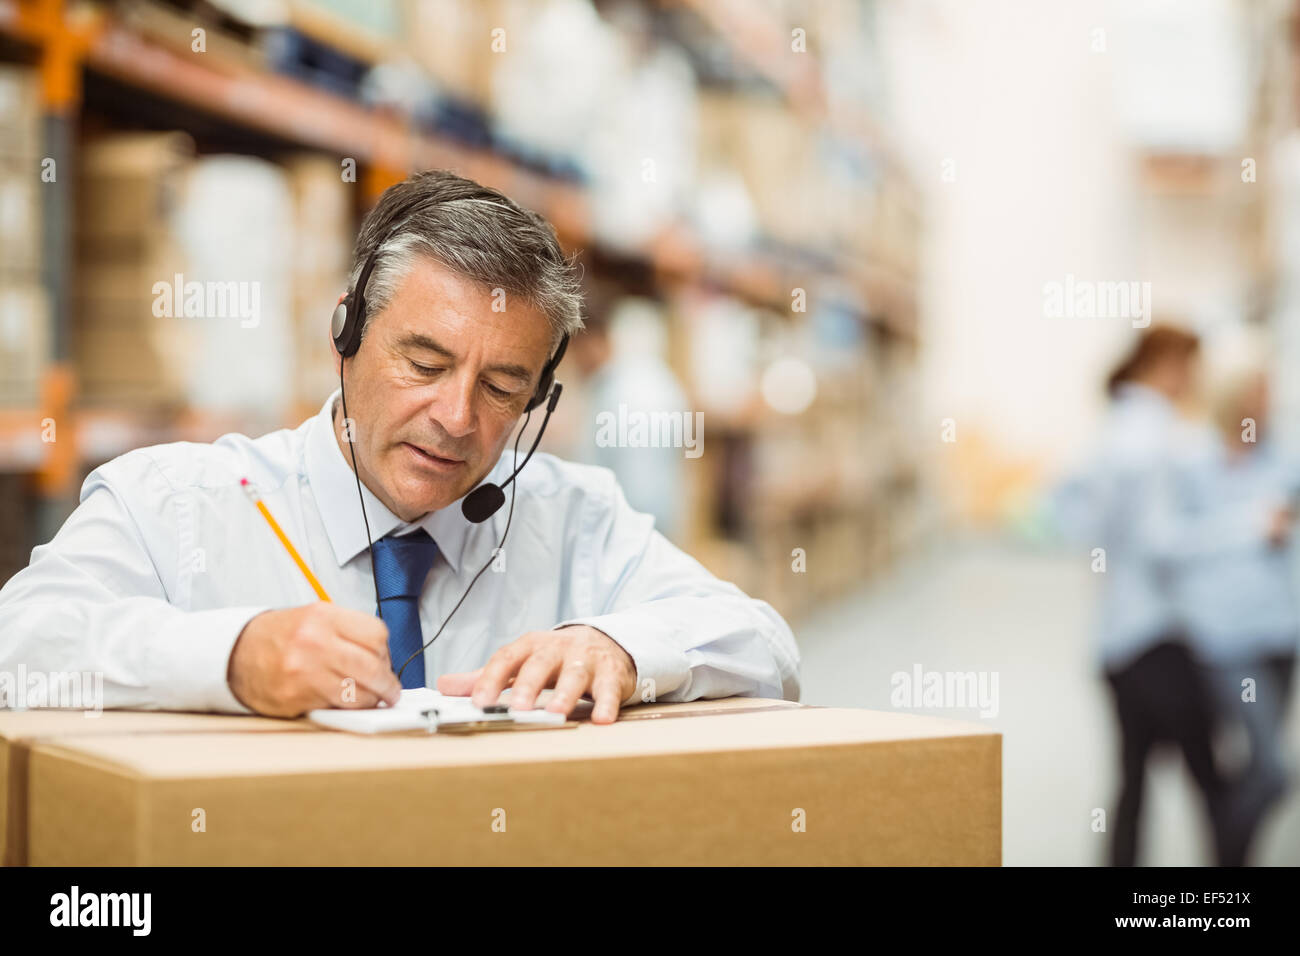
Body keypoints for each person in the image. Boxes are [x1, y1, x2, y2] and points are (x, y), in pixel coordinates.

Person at [0, 169, 800, 723]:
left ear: (539, 397)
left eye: (501, 387)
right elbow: (21, 647)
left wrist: (622, 647)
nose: (455, 416)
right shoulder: (175, 501)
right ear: (344, 330)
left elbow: (766, 648)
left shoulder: (575, 520)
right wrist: (231, 656)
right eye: (424, 363)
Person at [1049, 324, 1232, 865]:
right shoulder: (1153, 437)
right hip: (1157, 636)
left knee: (1132, 784)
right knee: (1210, 778)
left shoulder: (1115, 429)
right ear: (1169, 364)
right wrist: (1245, 528)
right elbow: (1161, 541)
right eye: (1191, 367)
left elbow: (1069, 512)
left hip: (1117, 636)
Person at [1171, 330, 1298, 863]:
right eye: (1259, 389)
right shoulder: (1193, 463)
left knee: (1255, 765)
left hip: (1281, 634)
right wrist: (1249, 525)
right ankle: (1225, 863)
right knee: (1271, 769)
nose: (1268, 400)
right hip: (1226, 638)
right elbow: (1174, 543)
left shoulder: (1284, 459)